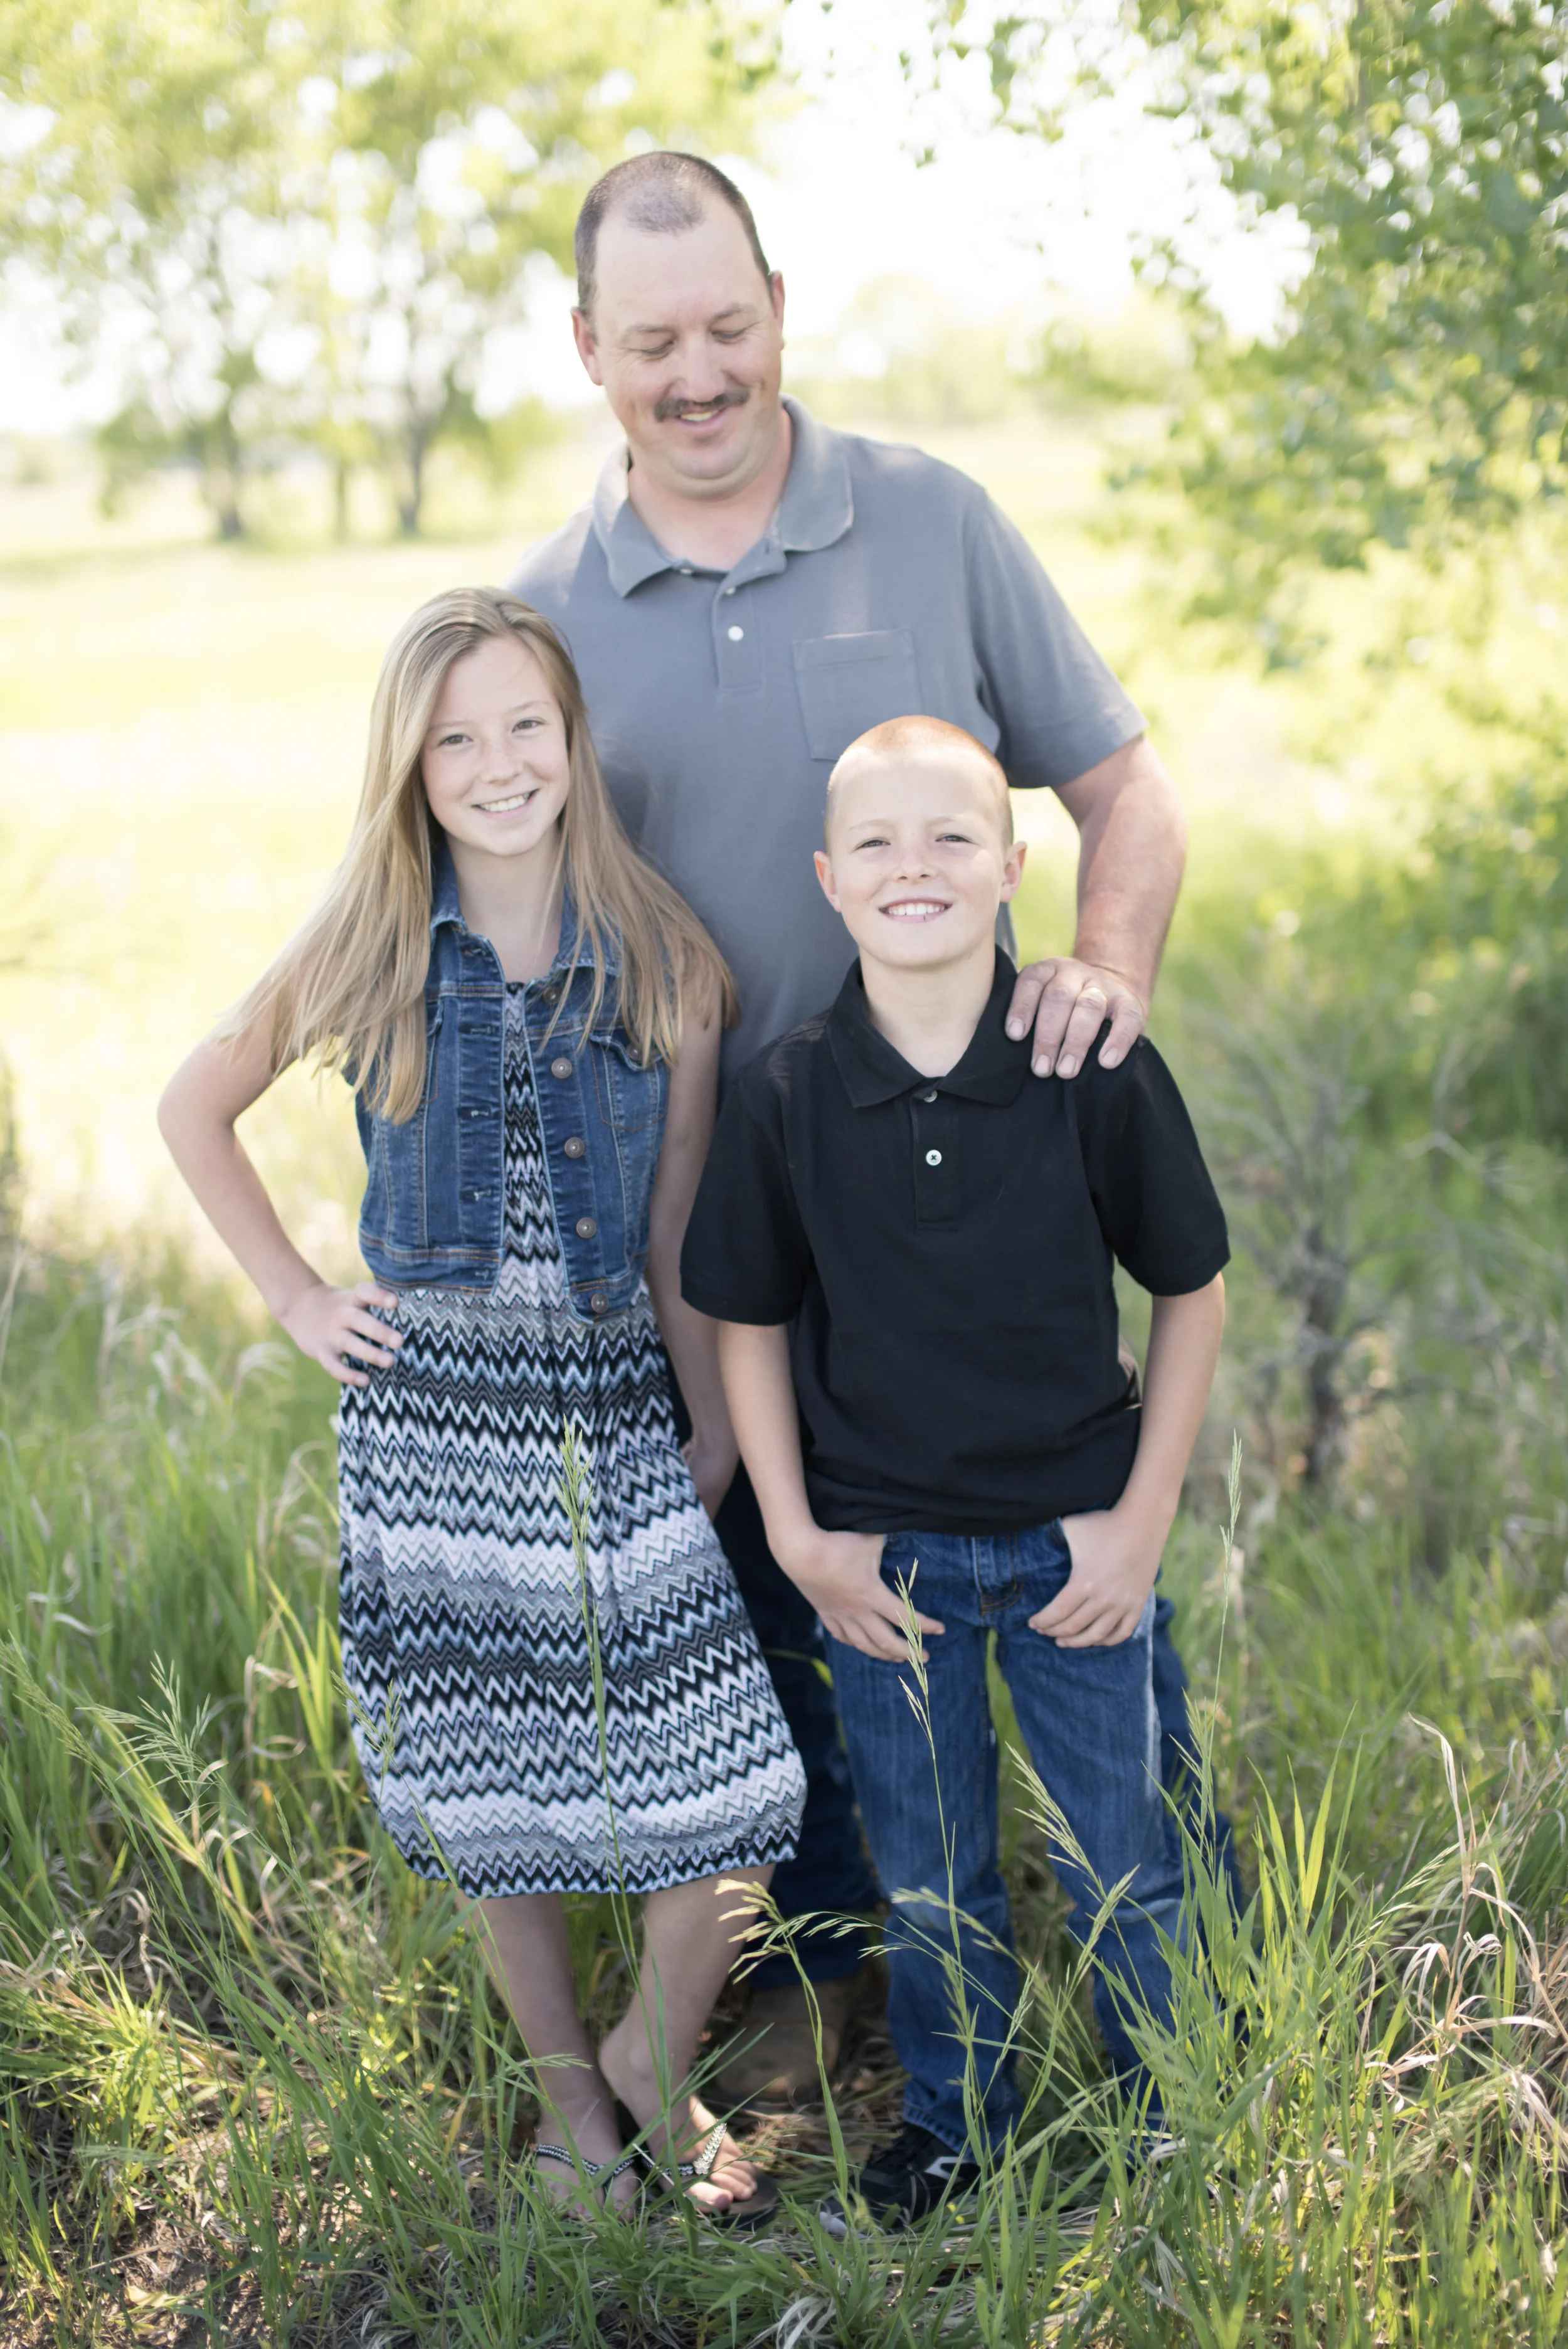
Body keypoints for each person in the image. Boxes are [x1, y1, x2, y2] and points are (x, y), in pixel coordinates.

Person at [507, 149, 1213, 2098]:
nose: (698, 373)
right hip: (714, 1228)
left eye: (727, 326)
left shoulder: (928, 518)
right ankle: (841, 1995)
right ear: (587, 348)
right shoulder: (544, 614)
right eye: (653, 341)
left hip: (982, 1207)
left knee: (1077, 1585)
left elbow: (1124, 790)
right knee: (780, 1614)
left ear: (778, 309)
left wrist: (1106, 967)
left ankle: (1182, 1993)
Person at [157, 588, 805, 2223]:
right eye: (456, 739)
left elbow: (676, 1219)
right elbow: (193, 1106)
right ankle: (572, 2108)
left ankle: (653, 2061)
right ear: (411, 765)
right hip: (433, 1430)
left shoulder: (666, 959)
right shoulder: (368, 946)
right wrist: (298, 1297)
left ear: (574, 740)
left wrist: (710, 1424)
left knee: (734, 1788)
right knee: (493, 1787)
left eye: (527, 726)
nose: (499, 764)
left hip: (607, 1408)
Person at [680, 717, 1229, 2227]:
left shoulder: (1087, 1063)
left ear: (1010, 864)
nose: (910, 867)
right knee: (929, 1877)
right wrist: (798, 1536)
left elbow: (1189, 1291)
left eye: (948, 838)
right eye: (875, 843)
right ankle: (952, 2125)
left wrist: (1138, 1527)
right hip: (884, 1563)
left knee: (1122, 1859)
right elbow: (746, 1322)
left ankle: (1170, 2119)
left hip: (1074, 1546)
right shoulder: (788, 1093)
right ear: (826, 879)